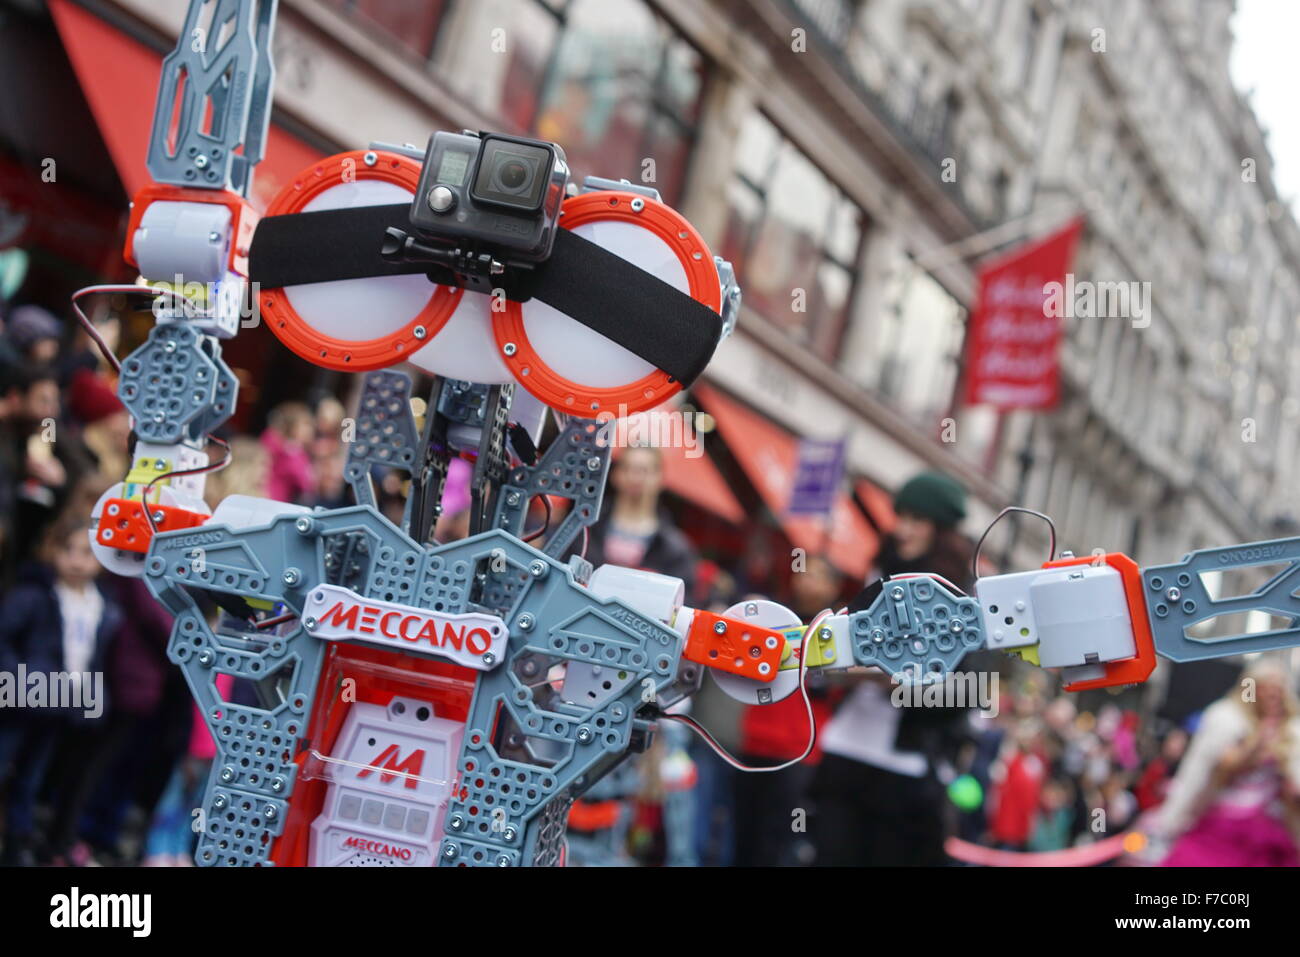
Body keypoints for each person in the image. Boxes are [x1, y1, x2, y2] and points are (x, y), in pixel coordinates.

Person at [808, 469, 974, 866]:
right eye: (902, 517)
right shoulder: (877, 576)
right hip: (847, 751)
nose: (904, 529)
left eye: (918, 520)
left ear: (941, 531)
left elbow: (965, 693)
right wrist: (831, 670)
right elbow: (827, 661)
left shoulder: (960, 602)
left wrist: (900, 684)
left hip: (904, 768)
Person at [0, 515, 122, 865]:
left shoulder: (103, 604)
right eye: (68, 549)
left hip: (60, 706)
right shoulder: (34, 596)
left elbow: (95, 661)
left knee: (31, 778)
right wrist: (17, 681)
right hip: (20, 702)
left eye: (87, 552)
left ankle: (16, 843)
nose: (76, 560)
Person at [731, 555, 845, 866]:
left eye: (819, 576)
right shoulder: (773, 620)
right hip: (754, 743)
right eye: (805, 573)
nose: (808, 581)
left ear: (834, 588)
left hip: (799, 753)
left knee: (779, 838)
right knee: (742, 834)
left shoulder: (837, 632)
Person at [1157, 658, 1300, 867]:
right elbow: (1222, 767)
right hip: (1225, 820)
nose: (1273, 695)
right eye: (1267, 688)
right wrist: (1259, 742)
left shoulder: (1291, 730)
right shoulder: (1228, 722)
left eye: (1278, 690)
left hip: (1269, 825)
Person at [581, 445, 696, 591]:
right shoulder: (584, 530)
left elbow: (682, 603)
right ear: (615, 475)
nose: (635, 477)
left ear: (660, 478)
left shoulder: (675, 549)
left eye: (644, 470)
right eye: (628, 468)